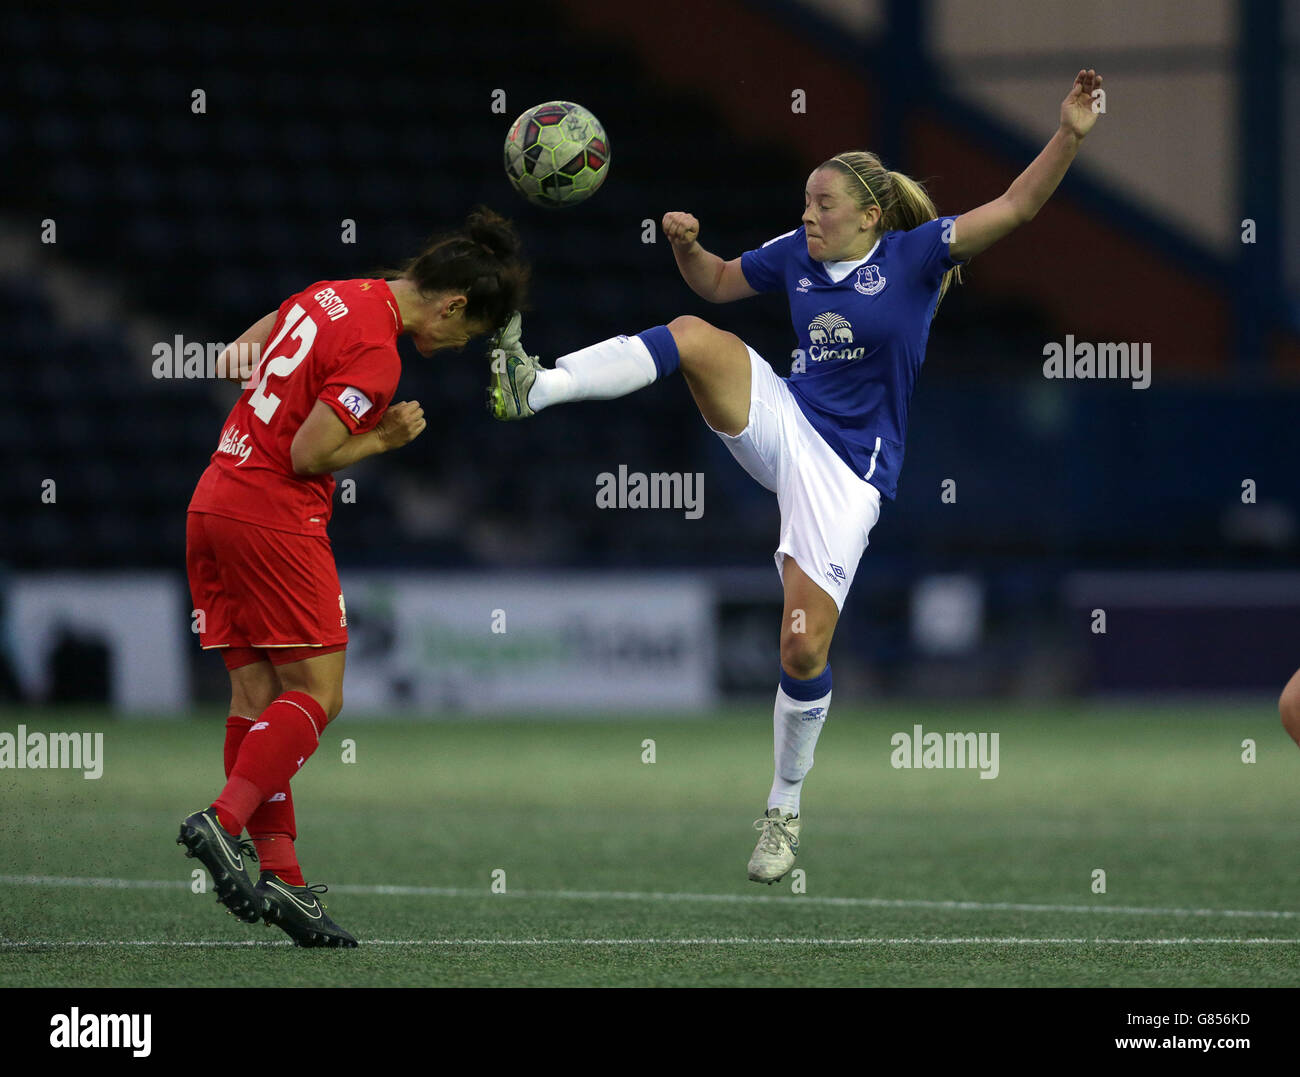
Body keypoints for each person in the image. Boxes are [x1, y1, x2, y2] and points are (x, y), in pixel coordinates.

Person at [486, 70, 1104, 884]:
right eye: (806, 201)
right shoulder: (791, 257)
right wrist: (684, 247)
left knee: (803, 646)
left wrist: (1069, 133)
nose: (807, 214)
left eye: (822, 204)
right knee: (692, 332)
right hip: (788, 418)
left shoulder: (916, 254)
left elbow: (1018, 208)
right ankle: (539, 386)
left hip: (850, 475)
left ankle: (783, 807)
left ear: (869, 216)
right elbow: (714, 282)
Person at [179, 207, 529, 945]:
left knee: (257, 697)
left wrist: (270, 370)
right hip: (275, 516)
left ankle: (286, 883)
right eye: (464, 334)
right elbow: (310, 454)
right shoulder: (379, 352)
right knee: (319, 695)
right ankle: (223, 819)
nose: (452, 346)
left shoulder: (330, 293)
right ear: (453, 302)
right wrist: (385, 437)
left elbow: (234, 357)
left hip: (213, 499)